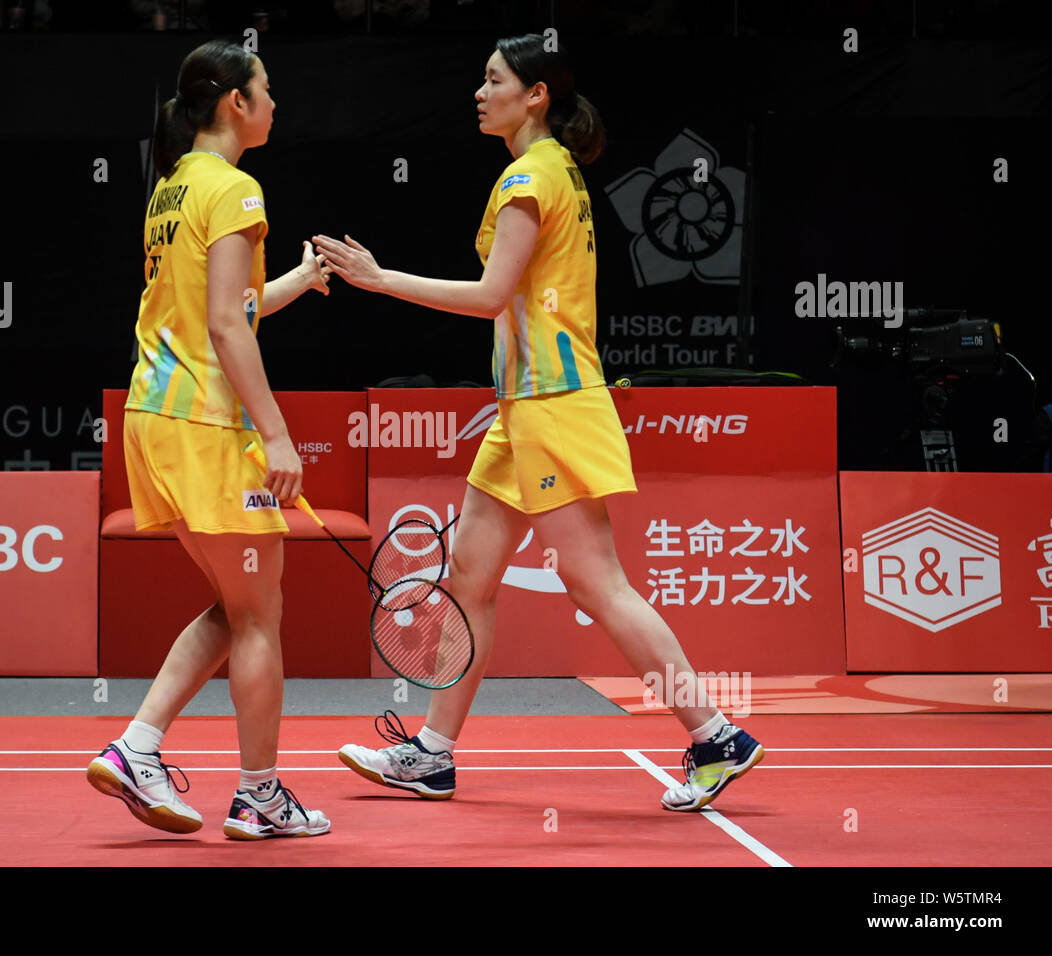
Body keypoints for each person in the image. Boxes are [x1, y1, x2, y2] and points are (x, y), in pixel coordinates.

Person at [319, 34, 764, 812]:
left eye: (494, 80)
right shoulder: (550, 171)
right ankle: (433, 753)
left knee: (599, 585)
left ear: (537, 96)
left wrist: (380, 279)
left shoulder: (530, 177)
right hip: (521, 413)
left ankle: (714, 734)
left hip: (555, 409)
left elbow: (492, 296)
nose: (479, 92)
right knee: (470, 579)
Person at [86, 39, 334, 839]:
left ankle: (136, 746)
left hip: (152, 420)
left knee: (239, 605)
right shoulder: (236, 189)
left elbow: (229, 306)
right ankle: (259, 795)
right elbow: (228, 326)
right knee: (260, 612)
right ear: (235, 101)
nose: (274, 104)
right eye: (267, 90)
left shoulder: (171, 189)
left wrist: (297, 279)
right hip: (203, 426)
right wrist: (281, 436)